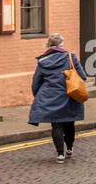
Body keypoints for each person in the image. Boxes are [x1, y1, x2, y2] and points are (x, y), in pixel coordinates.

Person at [28, 32, 87, 162]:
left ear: (49, 45)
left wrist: (38, 97)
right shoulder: (70, 57)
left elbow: (36, 82)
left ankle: (60, 154)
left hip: (50, 97)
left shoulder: (42, 61)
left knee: (56, 125)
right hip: (69, 95)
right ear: (61, 44)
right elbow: (83, 76)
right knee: (69, 123)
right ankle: (69, 148)